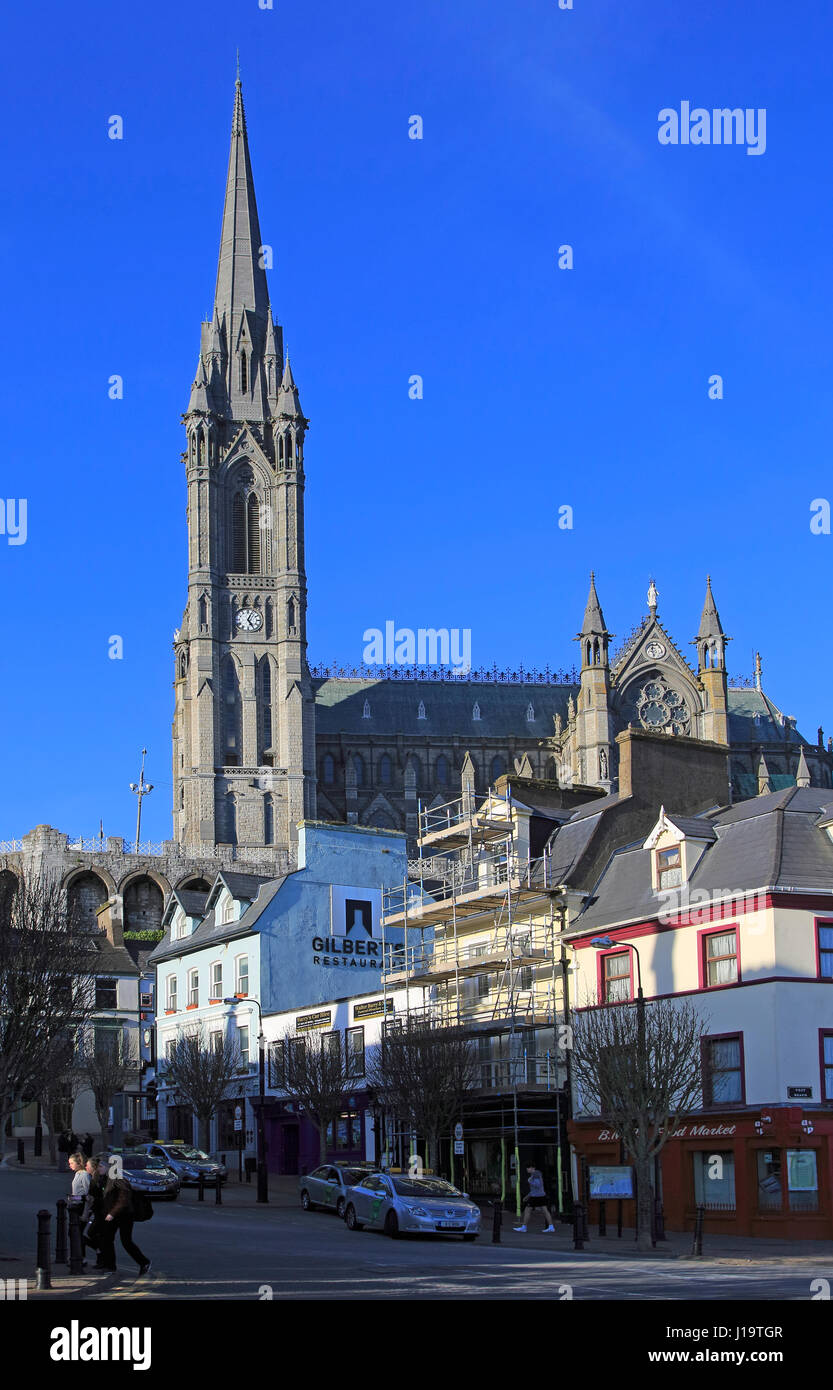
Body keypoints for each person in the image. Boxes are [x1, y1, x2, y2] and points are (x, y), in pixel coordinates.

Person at [95, 1156, 151, 1277]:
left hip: (124, 1215)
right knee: (106, 1239)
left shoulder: (119, 1180)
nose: (98, 1169)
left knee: (126, 1241)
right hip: (113, 1215)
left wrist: (112, 1213)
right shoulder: (105, 1179)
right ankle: (110, 1267)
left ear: (108, 1167)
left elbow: (123, 1200)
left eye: (101, 1166)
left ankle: (144, 1262)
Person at [513, 1163, 555, 1233]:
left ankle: (524, 1227)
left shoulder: (535, 1174)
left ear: (532, 1168)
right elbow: (535, 1189)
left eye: (528, 1168)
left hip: (535, 1197)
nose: (527, 1169)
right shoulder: (536, 1174)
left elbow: (538, 1185)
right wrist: (527, 1196)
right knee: (545, 1211)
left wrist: (530, 1181)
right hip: (540, 1195)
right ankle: (551, 1227)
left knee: (527, 1210)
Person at [67, 1151, 90, 1264]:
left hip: (81, 1208)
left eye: (71, 1163)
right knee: (73, 1233)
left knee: (76, 1233)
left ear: (78, 1163)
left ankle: (82, 1258)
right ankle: (77, 1257)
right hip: (75, 1207)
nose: (70, 1165)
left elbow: (87, 1196)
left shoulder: (85, 1175)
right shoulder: (77, 1174)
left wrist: (73, 1198)